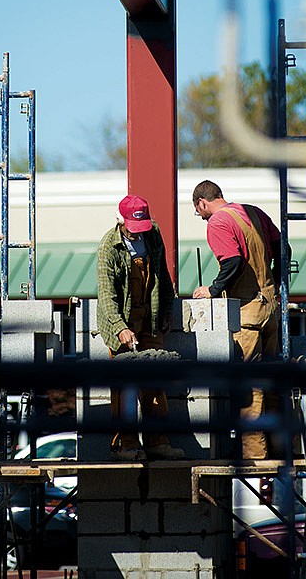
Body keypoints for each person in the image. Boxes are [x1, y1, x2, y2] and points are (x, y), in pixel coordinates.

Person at [192, 179, 283, 459]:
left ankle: (254, 453)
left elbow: (233, 261)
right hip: (271, 309)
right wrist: (274, 284)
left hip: (247, 314)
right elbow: (283, 249)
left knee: (249, 385)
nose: (202, 216)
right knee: (273, 381)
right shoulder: (252, 212)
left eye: (199, 212)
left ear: (202, 203)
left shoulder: (218, 222)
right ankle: (281, 447)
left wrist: (213, 289)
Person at [97, 194, 185, 462]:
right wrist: (120, 327)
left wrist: (167, 309)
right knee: (125, 387)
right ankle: (125, 444)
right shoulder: (108, 249)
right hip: (120, 322)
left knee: (154, 381)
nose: (138, 234)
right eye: (133, 229)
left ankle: (157, 441)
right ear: (120, 221)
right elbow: (107, 296)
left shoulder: (153, 233)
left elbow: (162, 273)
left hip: (150, 319)